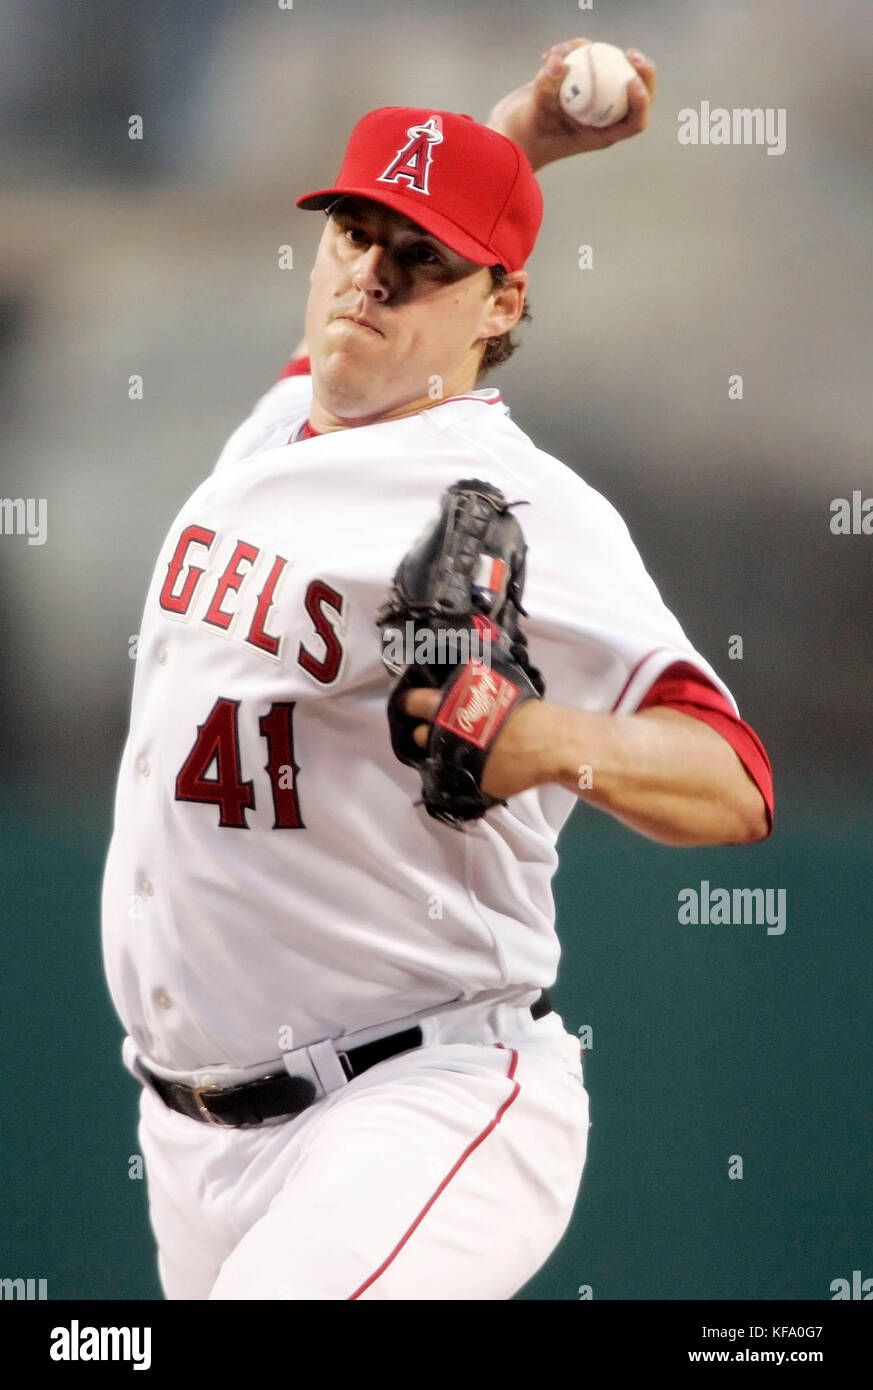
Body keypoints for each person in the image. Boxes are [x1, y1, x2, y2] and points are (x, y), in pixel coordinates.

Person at [101, 39, 773, 1301]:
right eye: (354, 232)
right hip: (193, 1137)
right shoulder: (283, 425)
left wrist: (548, 738)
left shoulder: (524, 500)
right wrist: (515, 131)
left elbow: (735, 779)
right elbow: (429, 205)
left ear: (502, 304)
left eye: (420, 260)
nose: (371, 275)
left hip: (415, 1099)